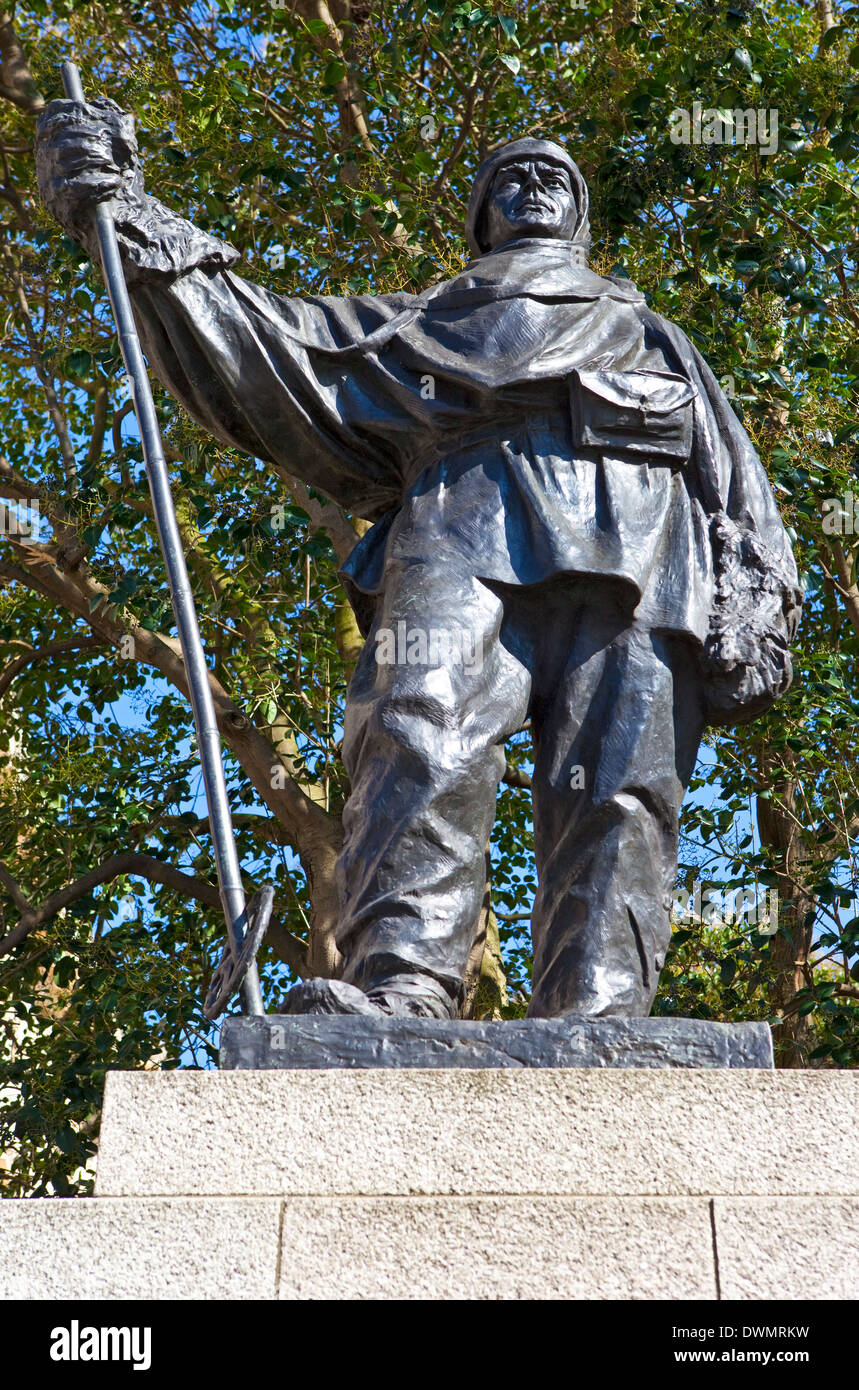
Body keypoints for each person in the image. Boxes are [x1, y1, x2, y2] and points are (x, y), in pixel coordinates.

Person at [36, 103, 801, 1021]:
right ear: (479, 219)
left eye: (553, 174)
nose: (530, 185)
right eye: (507, 177)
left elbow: (734, 481)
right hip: (459, 527)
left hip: (646, 556)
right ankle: (402, 984)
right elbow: (265, 343)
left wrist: (757, 599)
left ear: (582, 216)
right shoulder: (410, 332)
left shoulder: (653, 336)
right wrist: (118, 210)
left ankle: (600, 1016)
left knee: (620, 783)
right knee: (417, 731)